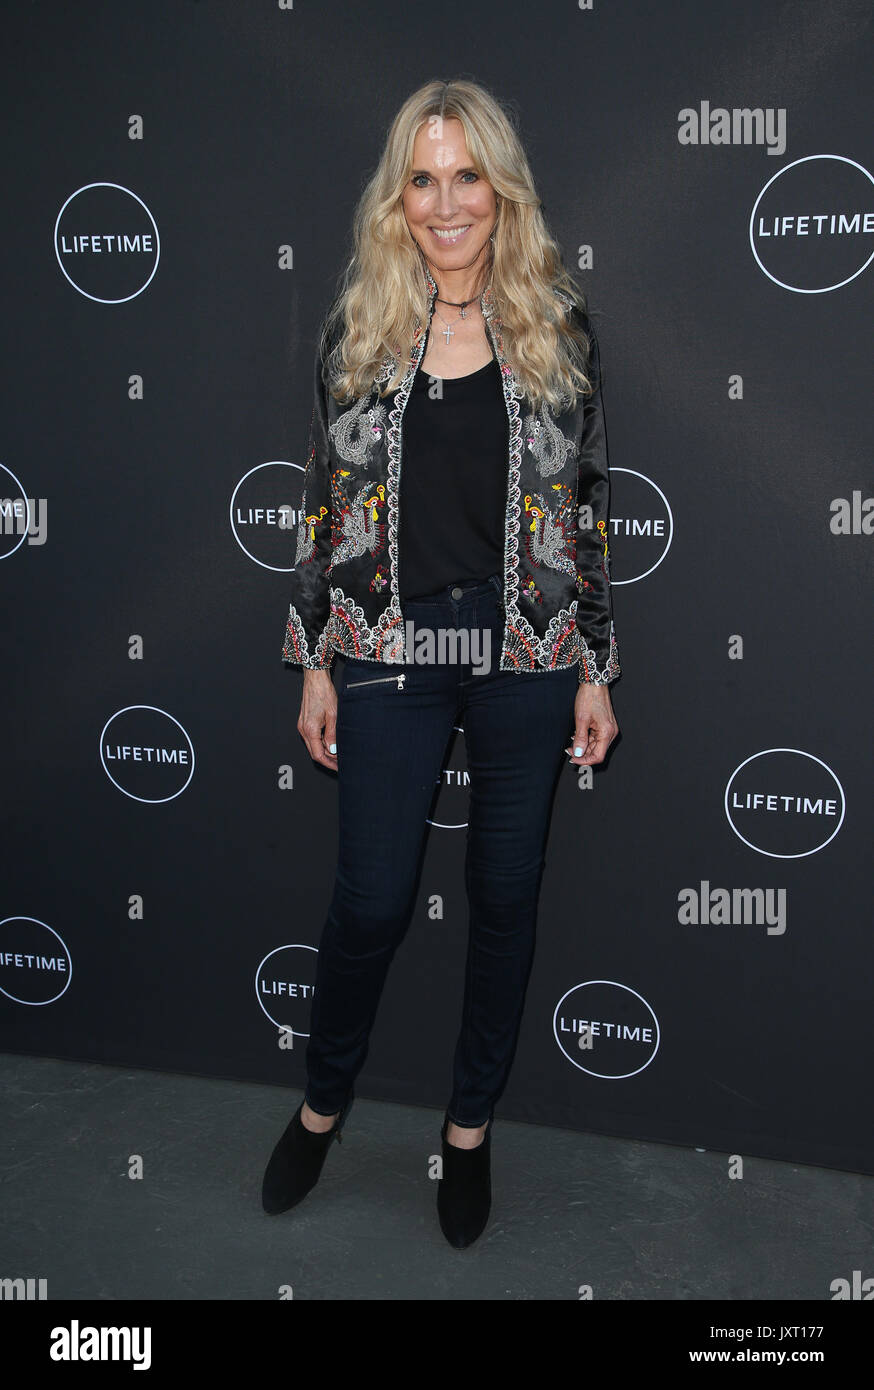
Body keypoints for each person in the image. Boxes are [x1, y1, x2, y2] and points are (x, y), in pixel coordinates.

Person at [262, 77, 621, 1248]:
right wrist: (314, 655)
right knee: (368, 900)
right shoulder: (358, 331)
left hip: (526, 656)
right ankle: (322, 1105)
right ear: (397, 197)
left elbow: (589, 508)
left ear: (500, 188)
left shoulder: (557, 328)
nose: (447, 200)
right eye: (424, 177)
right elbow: (320, 503)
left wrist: (594, 668)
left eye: (468, 174)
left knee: (503, 900)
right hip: (386, 649)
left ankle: (467, 1131)